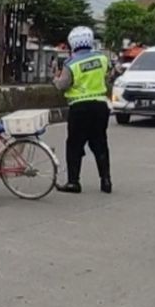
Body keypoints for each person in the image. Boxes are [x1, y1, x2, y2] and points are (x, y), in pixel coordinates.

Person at [55, 26, 113, 194]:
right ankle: (106, 181)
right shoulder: (102, 58)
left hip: (80, 108)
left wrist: (55, 79)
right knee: (100, 143)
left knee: (74, 144)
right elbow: (108, 76)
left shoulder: (71, 64)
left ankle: (74, 182)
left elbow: (63, 85)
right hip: (101, 105)